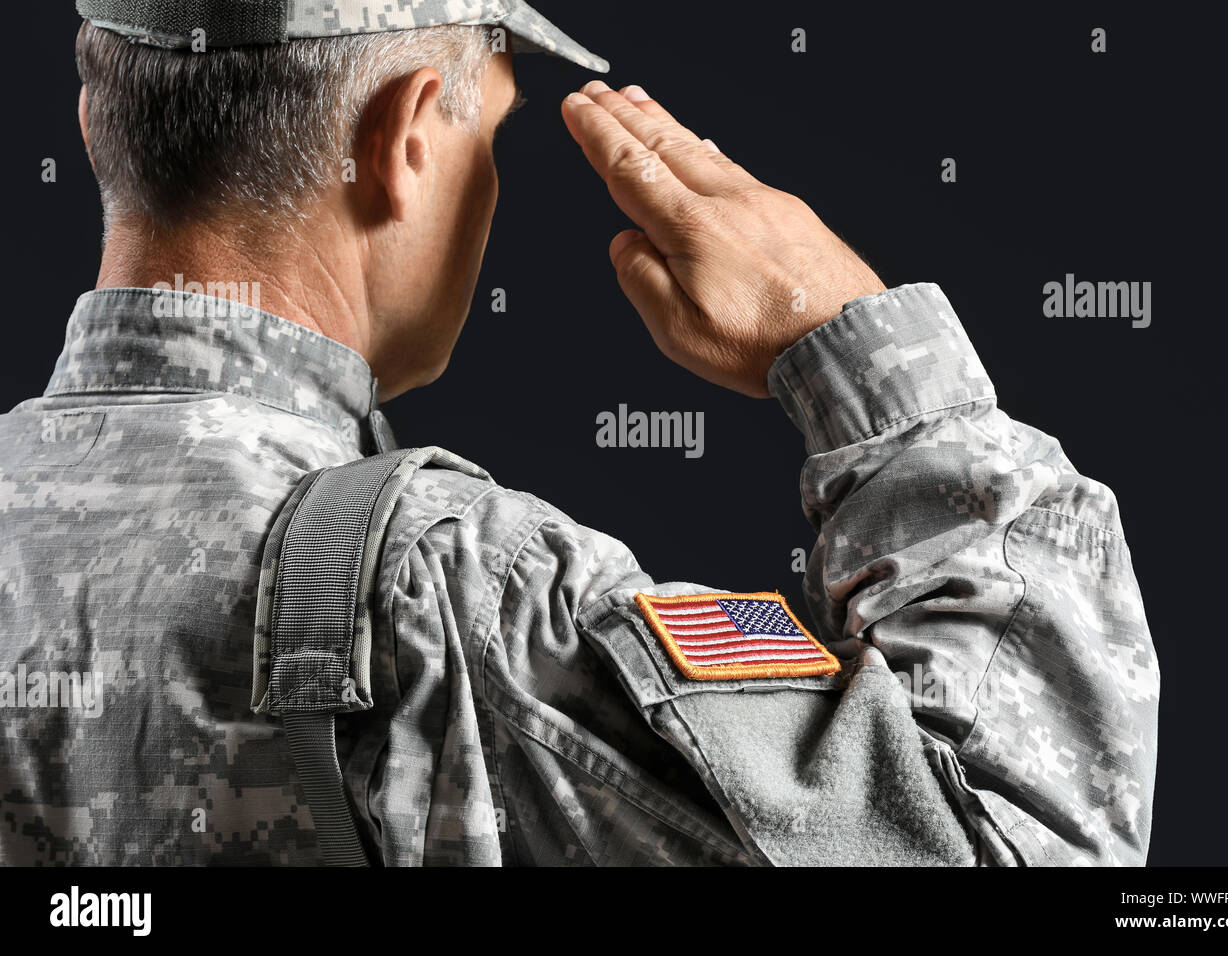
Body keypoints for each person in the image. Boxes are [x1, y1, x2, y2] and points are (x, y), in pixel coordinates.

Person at [0, 1, 1158, 866]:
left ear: (97, 118)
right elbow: (1019, 838)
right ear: (406, 136)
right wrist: (881, 378)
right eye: (488, 137)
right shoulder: (453, 593)